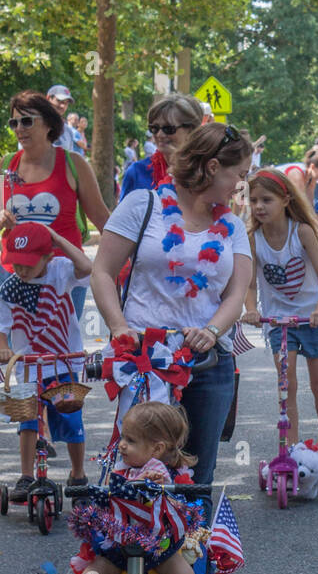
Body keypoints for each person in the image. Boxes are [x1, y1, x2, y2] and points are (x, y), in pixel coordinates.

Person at [90, 123, 254, 485]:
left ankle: (192, 543)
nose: (242, 185)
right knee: (136, 475)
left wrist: (212, 331)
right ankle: (131, 539)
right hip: (145, 359)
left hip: (208, 363)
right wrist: (119, 327)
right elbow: (102, 272)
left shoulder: (233, 226)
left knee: (195, 478)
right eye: (239, 175)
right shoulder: (141, 204)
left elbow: (236, 294)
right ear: (212, 167)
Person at [71, 401, 203, 574]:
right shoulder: (121, 468)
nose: (121, 445)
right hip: (119, 548)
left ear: (156, 449)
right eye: (123, 437)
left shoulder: (159, 471)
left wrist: (153, 482)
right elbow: (113, 490)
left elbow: (159, 487)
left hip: (157, 547)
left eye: (130, 441)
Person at [241, 167, 318, 478]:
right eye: (253, 200)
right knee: (287, 387)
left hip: (312, 318)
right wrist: (250, 309)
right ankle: (291, 449)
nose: (259, 206)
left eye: (266, 199)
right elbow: (251, 283)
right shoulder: (254, 239)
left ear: (285, 200)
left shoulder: (302, 233)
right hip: (278, 321)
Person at [0, 91, 111, 319]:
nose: (19, 128)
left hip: (63, 275)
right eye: (14, 122)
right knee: (16, 348)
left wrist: (117, 267)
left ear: (48, 124)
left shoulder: (73, 164)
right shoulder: (6, 164)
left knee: (61, 349)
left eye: (27, 121)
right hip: (15, 272)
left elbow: (103, 220)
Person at [0, 223, 93, 499]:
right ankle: (26, 476)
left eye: (28, 264)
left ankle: (78, 472)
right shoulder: (10, 286)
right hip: (27, 368)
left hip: (64, 364)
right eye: (17, 264)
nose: (21, 270)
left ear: (48, 256)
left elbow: (87, 267)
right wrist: (3, 349)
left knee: (71, 418)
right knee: (27, 421)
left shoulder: (60, 270)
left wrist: (58, 239)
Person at [119, 94, 202, 199]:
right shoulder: (137, 172)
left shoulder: (205, 171)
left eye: (168, 128)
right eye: (154, 128)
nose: (160, 135)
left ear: (191, 130)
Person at [46, 85, 77, 151]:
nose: (63, 106)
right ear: (48, 98)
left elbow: (69, 158)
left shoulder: (68, 131)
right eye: (59, 101)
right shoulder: (33, 124)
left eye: (66, 103)